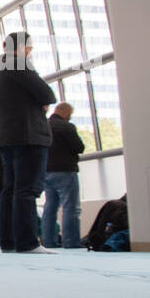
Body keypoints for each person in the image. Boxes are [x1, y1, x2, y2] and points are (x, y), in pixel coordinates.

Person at [0, 31, 57, 254]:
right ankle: (27, 242)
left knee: (10, 189)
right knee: (27, 188)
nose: (29, 53)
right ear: (21, 48)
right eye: (29, 48)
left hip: (5, 137)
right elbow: (47, 94)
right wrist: (41, 104)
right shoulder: (17, 64)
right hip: (26, 135)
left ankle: (8, 241)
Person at [43, 102, 86, 249]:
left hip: (46, 171)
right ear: (66, 112)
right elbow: (79, 147)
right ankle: (71, 242)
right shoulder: (66, 126)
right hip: (65, 170)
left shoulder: (43, 125)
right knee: (70, 207)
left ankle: (48, 242)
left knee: (50, 207)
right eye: (70, 114)